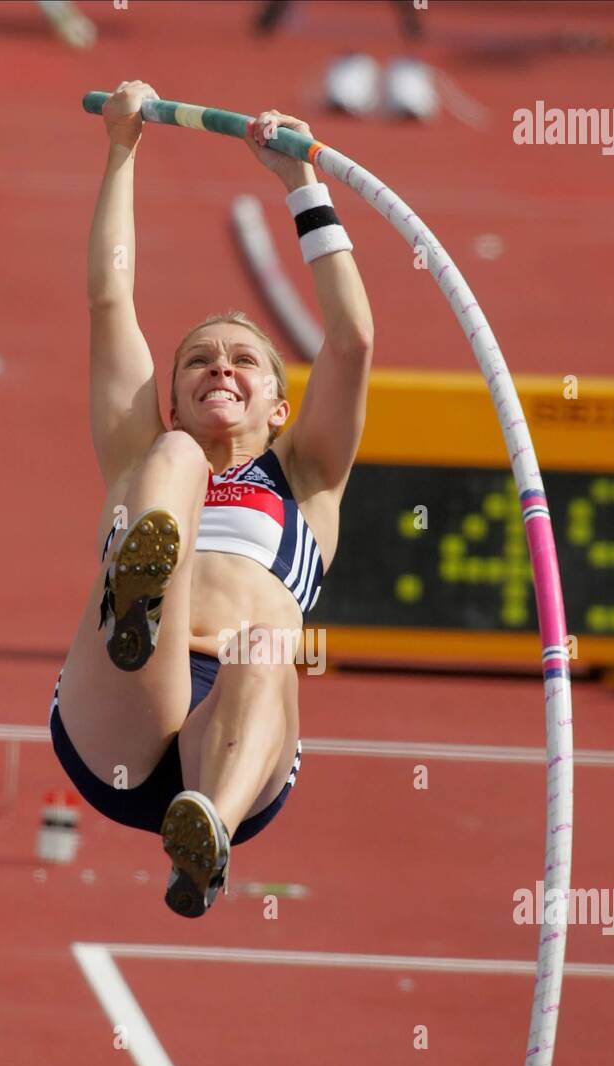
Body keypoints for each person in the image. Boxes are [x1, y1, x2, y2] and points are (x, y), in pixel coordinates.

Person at [50, 79, 373, 917]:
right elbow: (108, 299)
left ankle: (205, 836)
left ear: (279, 408)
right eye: (198, 361)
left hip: (231, 736)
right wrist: (122, 150)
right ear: (173, 388)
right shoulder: (147, 452)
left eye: (243, 360)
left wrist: (303, 183)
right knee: (173, 463)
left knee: (269, 643)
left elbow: (352, 339)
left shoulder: (309, 480)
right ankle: (141, 600)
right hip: (124, 704)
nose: (219, 368)